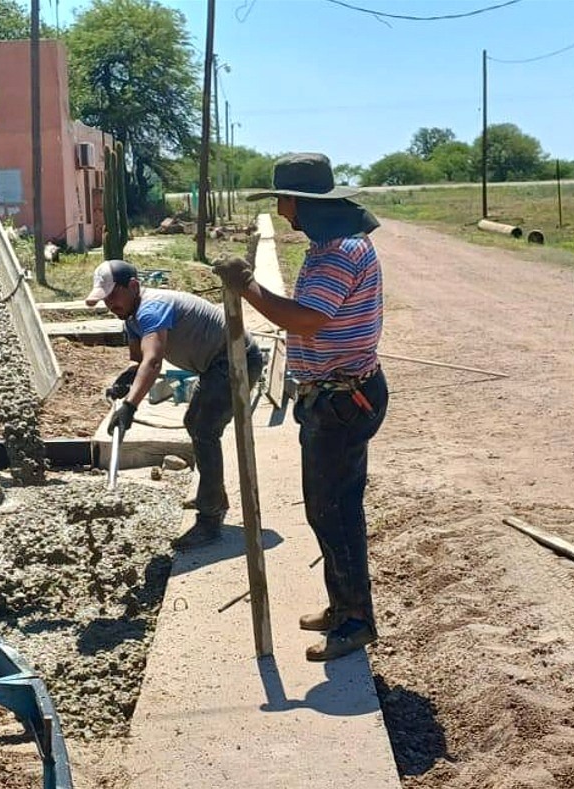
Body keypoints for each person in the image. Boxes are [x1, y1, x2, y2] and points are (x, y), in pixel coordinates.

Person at [217, 152, 388, 663]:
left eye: (284, 200)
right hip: (342, 394)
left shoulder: (337, 254)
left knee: (331, 511)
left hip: (342, 400)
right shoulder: (333, 246)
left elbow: (306, 319)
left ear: (302, 202)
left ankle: (355, 620)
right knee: (333, 509)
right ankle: (344, 606)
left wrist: (246, 287)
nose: (283, 210)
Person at [85, 259, 264, 549]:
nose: (109, 304)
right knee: (196, 423)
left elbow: (154, 360)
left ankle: (209, 520)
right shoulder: (130, 315)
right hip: (215, 363)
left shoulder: (151, 308)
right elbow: (140, 361)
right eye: (104, 299)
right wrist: (126, 381)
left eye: (112, 295)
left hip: (236, 359)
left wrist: (131, 406)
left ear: (133, 286)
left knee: (204, 428)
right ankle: (214, 495)